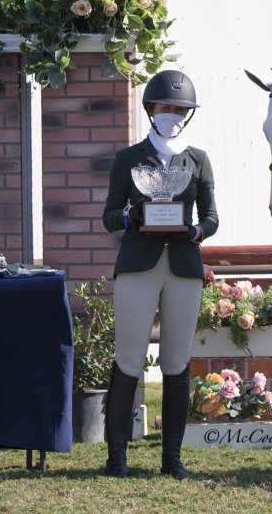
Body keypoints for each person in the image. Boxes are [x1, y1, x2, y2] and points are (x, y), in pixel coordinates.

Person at [101, 69, 218, 479]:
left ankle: (172, 459)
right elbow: (109, 216)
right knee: (129, 358)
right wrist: (130, 217)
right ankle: (117, 457)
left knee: (177, 361)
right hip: (138, 264)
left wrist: (196, 231)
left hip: (183, 265)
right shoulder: (128, 159)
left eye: (179, 109)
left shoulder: (198, 160)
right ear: (151, 109)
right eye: (166, 107)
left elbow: (212, 217)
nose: (172, 114)